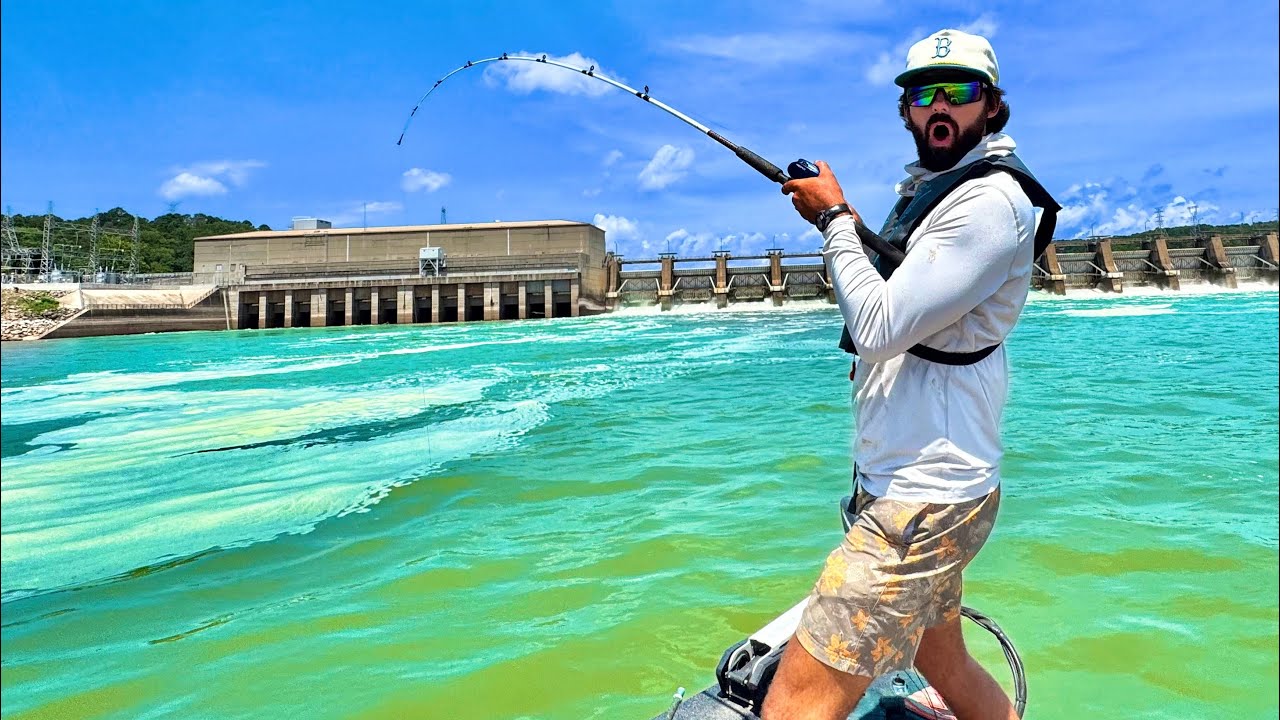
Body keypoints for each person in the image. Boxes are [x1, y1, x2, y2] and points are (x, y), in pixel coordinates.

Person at [766, 28, 1059, 720]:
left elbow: (878, 328)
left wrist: (835, 219)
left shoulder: (990, 204)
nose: (939, 106)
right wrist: (847, 226)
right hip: (927, 490)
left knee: (794, 704)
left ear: (991, 107)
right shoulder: (942, 193)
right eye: (923, 92)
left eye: (958, 92)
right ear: (905, 110)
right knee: (939, 656)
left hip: (919, 505)